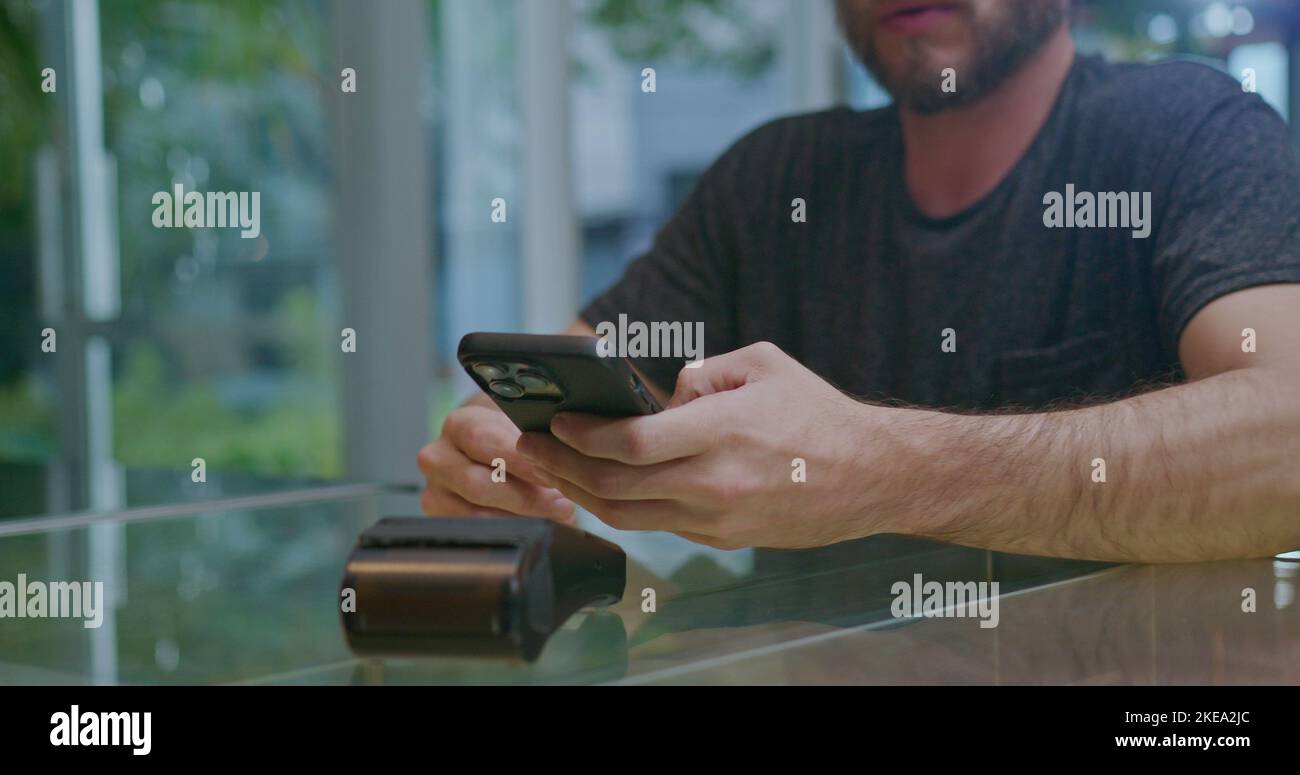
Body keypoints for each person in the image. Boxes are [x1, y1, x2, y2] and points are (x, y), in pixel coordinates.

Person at [419, 0, 1300, 562]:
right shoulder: (778, 180)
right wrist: (495, 461)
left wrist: (885, 468)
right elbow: (565, 380)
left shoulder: (1192, 132)